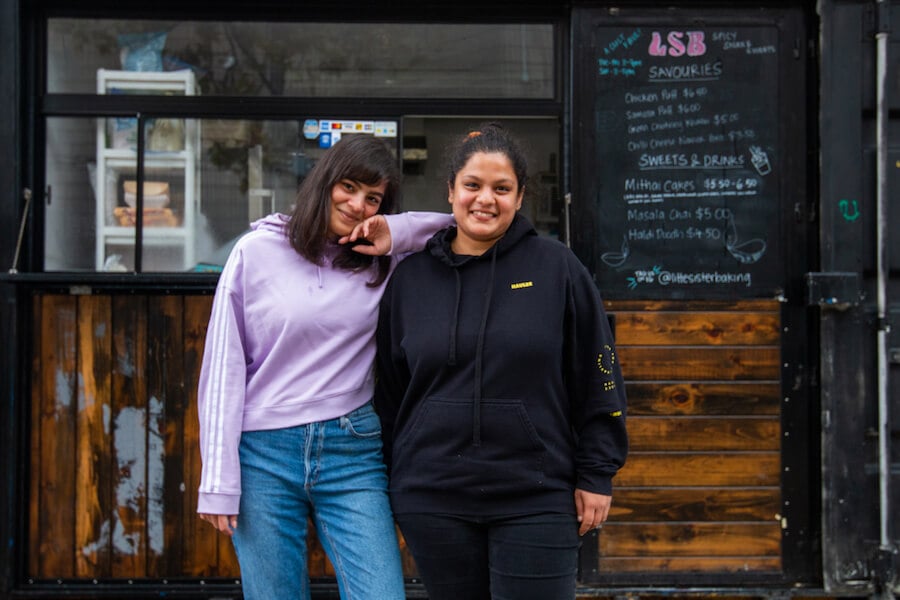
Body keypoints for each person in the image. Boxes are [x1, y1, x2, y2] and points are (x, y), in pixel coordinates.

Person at [374, 123, 628, 600]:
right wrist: (394, 481)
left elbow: (599, 373)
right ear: (450, 190)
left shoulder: (557, 269)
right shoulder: (409, 281)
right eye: (472, 185)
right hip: (433, 497)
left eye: (501, 188)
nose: (485, 199)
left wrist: (597, 473)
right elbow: (390, 393)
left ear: (520, 196)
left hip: (536, 495)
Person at [196, 134, 453, 600]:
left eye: (372, 197)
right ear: (324, 182)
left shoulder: (383, 261)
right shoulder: (255, 252)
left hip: (351, 452)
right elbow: (223, 367)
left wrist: (393, 231)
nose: (357, 205)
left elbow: (459, 228)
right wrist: (217, 479)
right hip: (263, 455)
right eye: (349, 187)